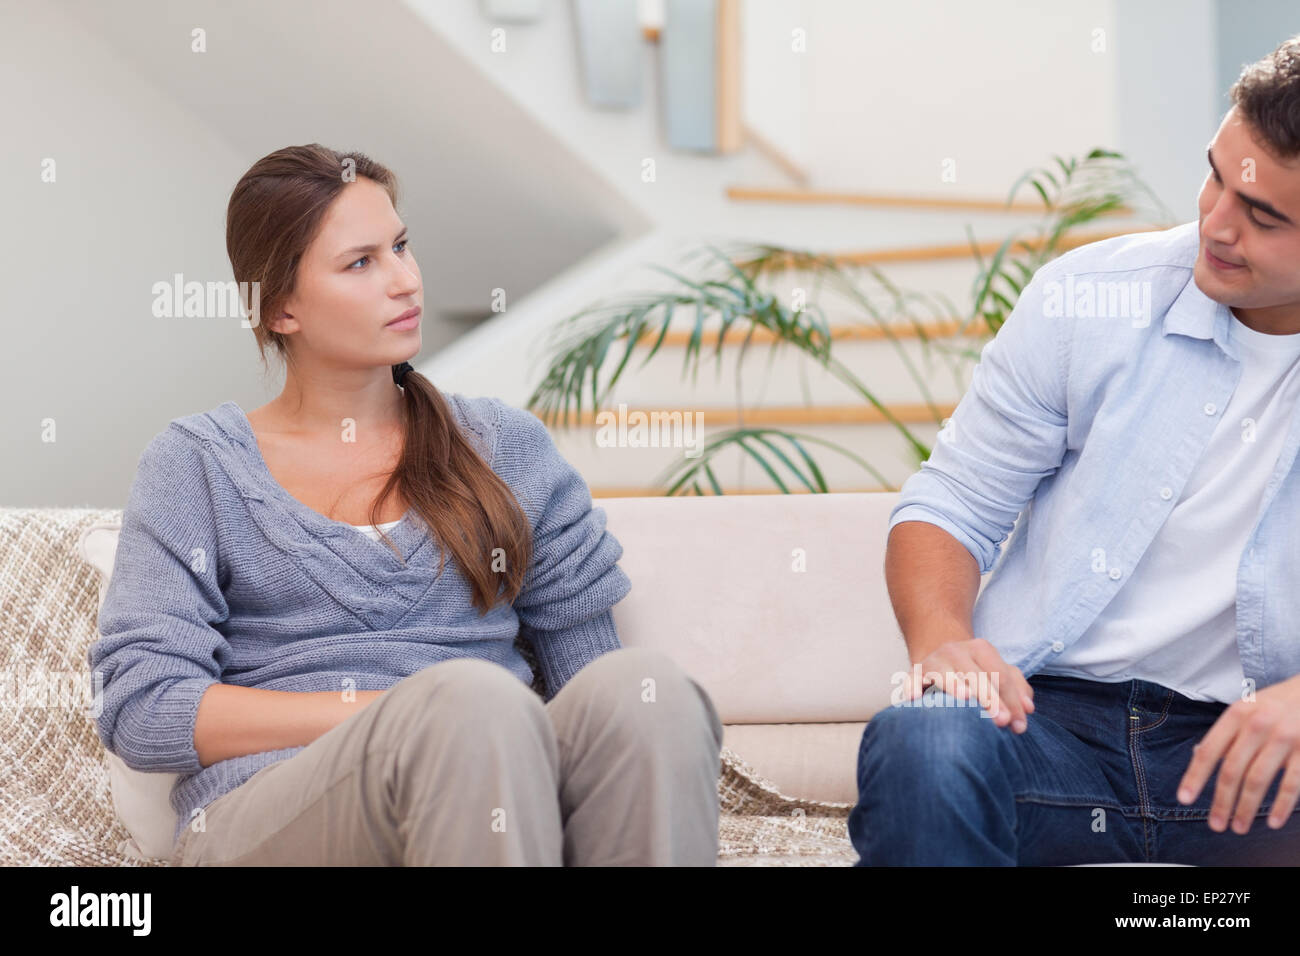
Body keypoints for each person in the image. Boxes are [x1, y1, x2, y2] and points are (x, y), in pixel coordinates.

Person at [87, 144, 723, 866]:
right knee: (467, 704)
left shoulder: (505, 448)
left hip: (489, 782)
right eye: (361, 263)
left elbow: (592, 691)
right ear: (283, 307)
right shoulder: (197, 464)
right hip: (268, 810)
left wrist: (475, 730)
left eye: (400, 246)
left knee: (647, 692)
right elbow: (142, 706)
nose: (405, 281)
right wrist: (399, 716)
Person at [852, 35, 1300, 866]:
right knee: (924, 745)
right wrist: (941, 639)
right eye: (1214, 176)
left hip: (1258, 760)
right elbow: (950, 503)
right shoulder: (1089, 299)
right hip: (1047, 725)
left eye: (1263, 215)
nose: (1215, 223)